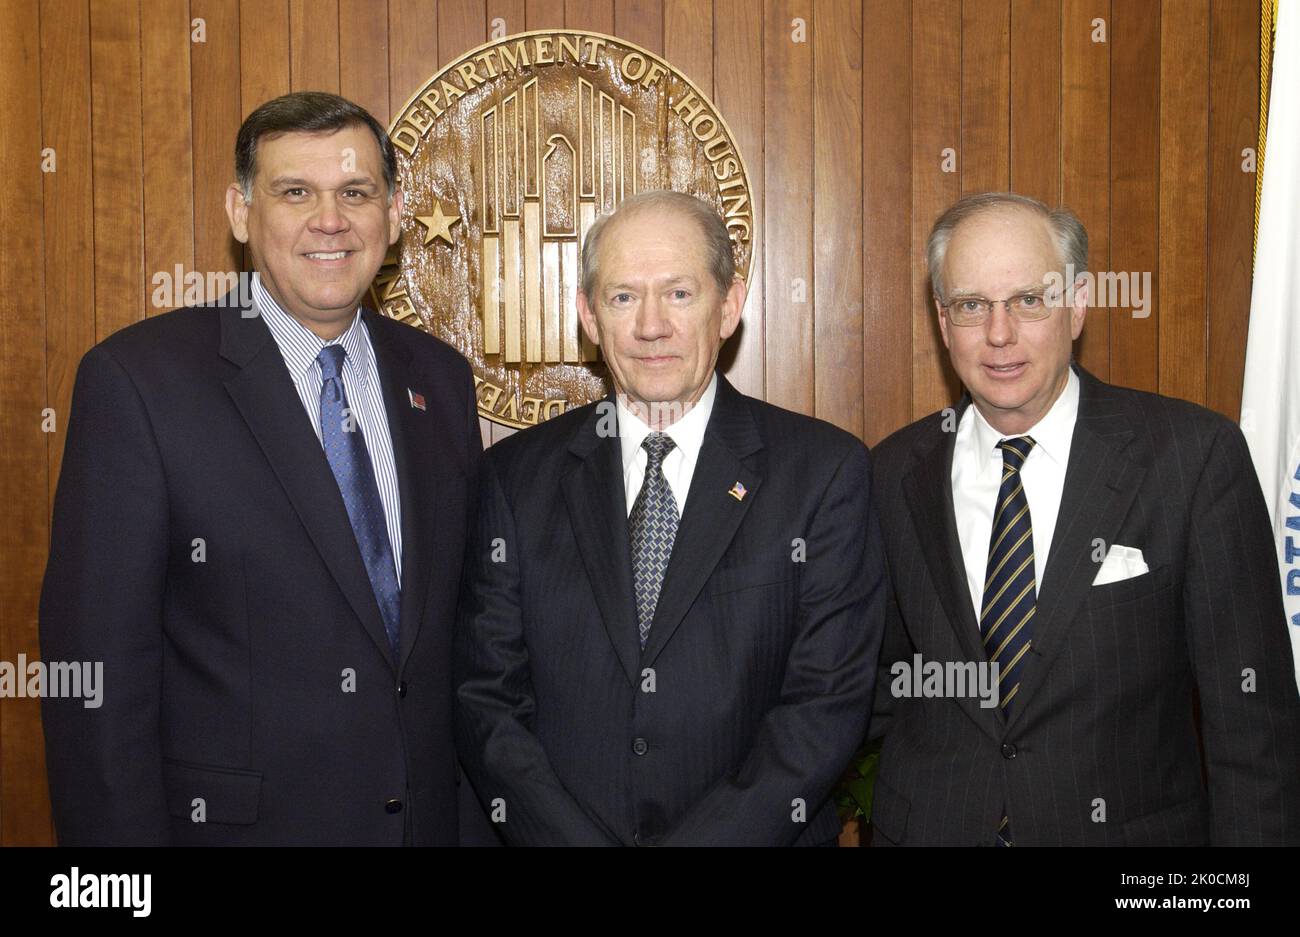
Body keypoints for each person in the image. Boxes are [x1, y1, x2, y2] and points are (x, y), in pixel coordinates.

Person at [40, 92, 485, 845]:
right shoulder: (141, 382)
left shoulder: (439, 380)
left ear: (397, 212)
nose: (330, 220)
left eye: (355, 192)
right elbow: (97, 682)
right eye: (294, 192)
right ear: (241, 214)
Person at [868, 191, 1300, 845]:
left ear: (1077, 304)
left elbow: (1253, 728)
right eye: (971, 305)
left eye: (1029, 300)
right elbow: (873, 684)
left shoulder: (1192, 458)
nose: (999, 333)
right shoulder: (891, 473)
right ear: (941, 318)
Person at [454, 190, 884, 845]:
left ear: (730, 307)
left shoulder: (823, 474)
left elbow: (824, 706)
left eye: (679, 294)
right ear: (589, 316)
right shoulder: (514, 476)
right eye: (624, 296)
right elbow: (488, 699)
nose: (651, 326)